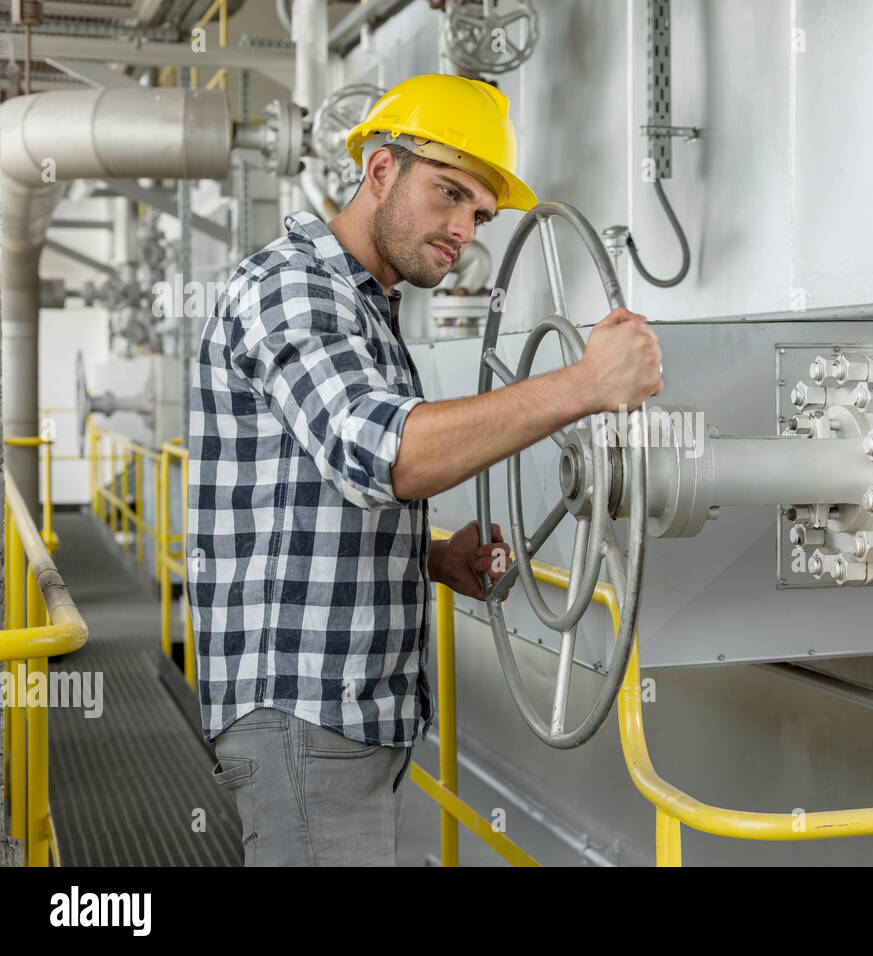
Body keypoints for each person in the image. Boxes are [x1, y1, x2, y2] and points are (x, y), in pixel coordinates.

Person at [186, 73, 662, 866]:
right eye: (447, 194)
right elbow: (386, 456)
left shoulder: (364, 303)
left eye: (478, 213)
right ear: (379, 172)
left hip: (346, 714)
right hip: (308, 713)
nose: (462, 230)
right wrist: (584, 387)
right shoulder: (293, 288)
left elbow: (310, 498)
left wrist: (434, 560)